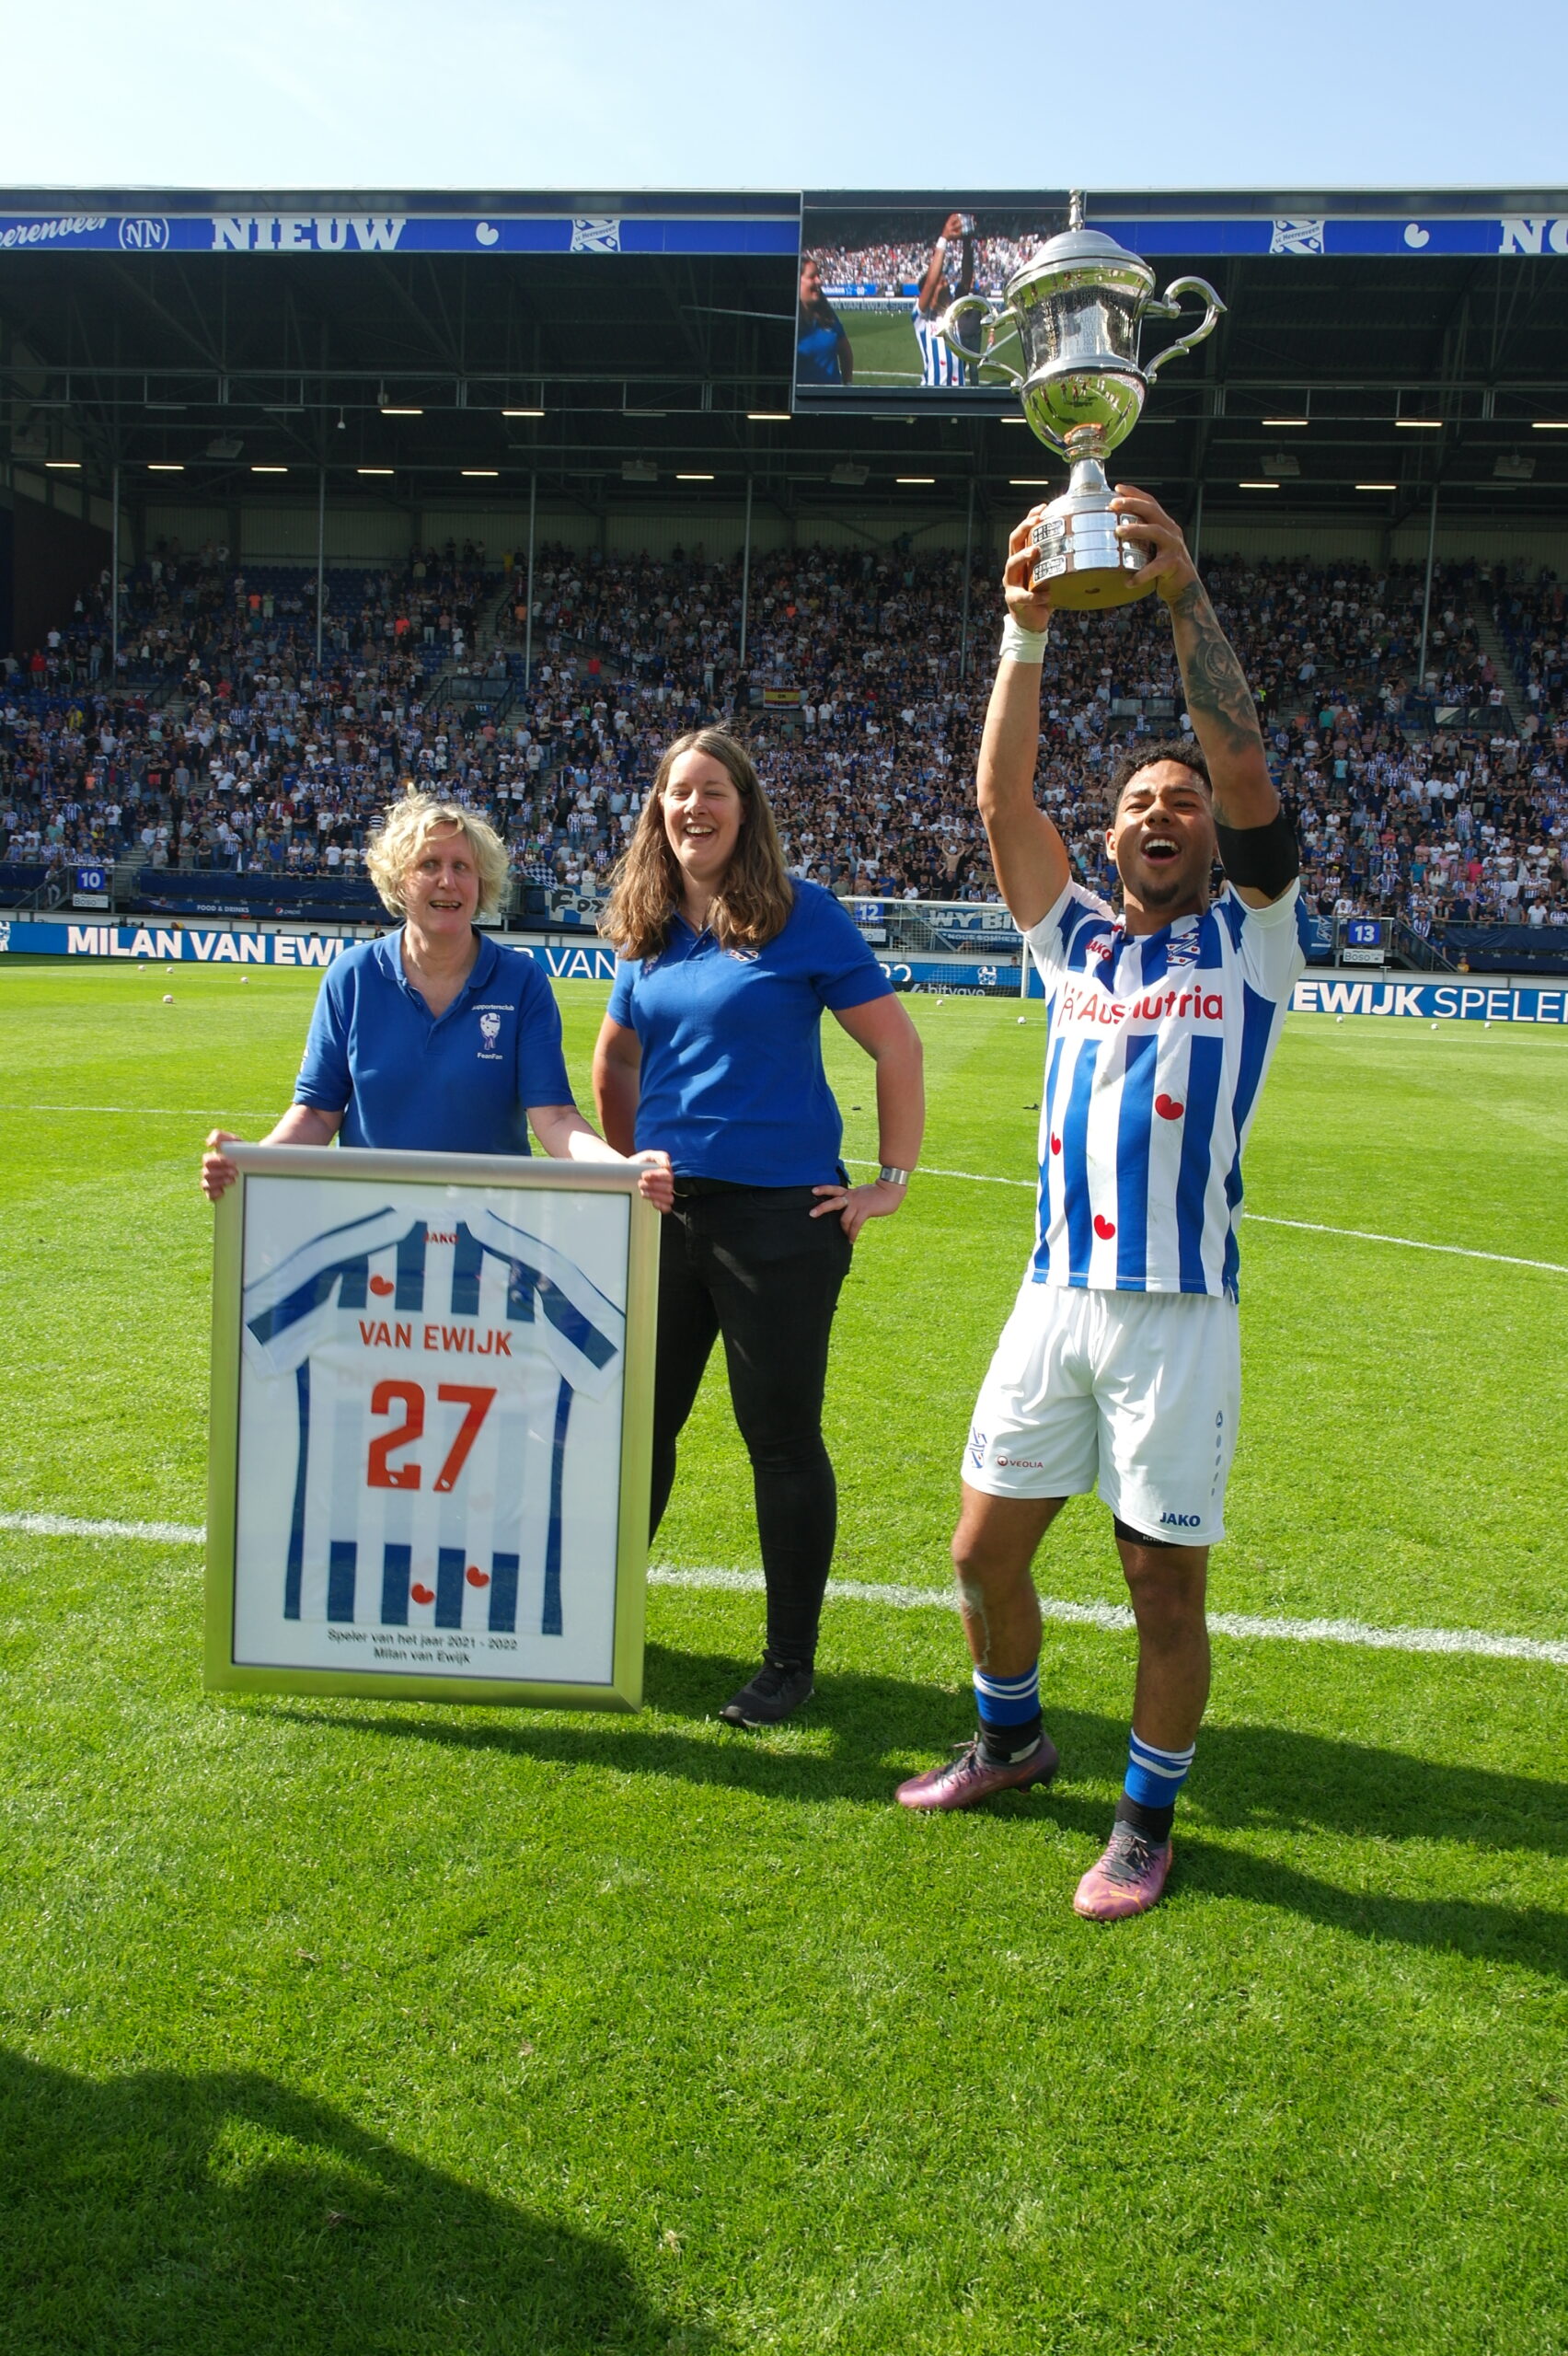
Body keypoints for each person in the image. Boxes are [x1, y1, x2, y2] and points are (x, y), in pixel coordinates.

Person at [895, 491, 1309, 1923]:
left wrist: (1182, 590)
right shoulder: (1068, 939)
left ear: (1208, 840)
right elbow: (1003, 802)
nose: (1159, 811)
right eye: (1137, 800)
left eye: (1177, 804)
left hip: (1177, 1315)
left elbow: (1246, 764)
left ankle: (1144, 1823)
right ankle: (1012, 1738)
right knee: (978, 1550)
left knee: (1160, 1586)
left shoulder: (1252, 944)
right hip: (1053, 1293)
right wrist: (1022, 626)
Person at [592, 728, 924, 1727]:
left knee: (778, 1439)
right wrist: (625, 1168)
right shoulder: (647, 931)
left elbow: (895, 1045)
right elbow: (614, 1061)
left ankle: (789, 1663)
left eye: (712, 792)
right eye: (676, 793)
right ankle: (598, 1621)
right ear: (658, 811)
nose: (692, 808)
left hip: (781, 1221)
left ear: (746, 807)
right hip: (666, 1217)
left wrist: (887, 1181)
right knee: (637, 1430)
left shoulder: (800, 917)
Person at [201, 790, 672, 1207]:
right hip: (370, 1224)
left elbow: (554, 1119)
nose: (447, 881)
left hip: (492, 1226)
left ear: (481, 884)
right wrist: (251, 1161)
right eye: (429, 865)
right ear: (400, 881)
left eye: (461, 867)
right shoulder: (352, 977)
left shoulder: (521, 981)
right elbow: (316, 1115)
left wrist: (620, 1168)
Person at [913, 213, 975, 388]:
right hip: (932, 394)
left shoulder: (953, 312)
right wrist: (944, 239)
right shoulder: (921, 318)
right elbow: (932, 281)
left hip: (958, 394)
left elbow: (966, 278)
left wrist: (967, 242)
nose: (946, 282)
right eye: (941, 282)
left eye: (946, 280)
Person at [795, 258, 854, 389]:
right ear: (797, 281)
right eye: (812, 277)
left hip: (831, 402)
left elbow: (845, 352)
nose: (819, 281)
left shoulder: (828, 316)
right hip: (801, 403)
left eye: (818, 276)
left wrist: (848, 386)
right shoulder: (789, 321)